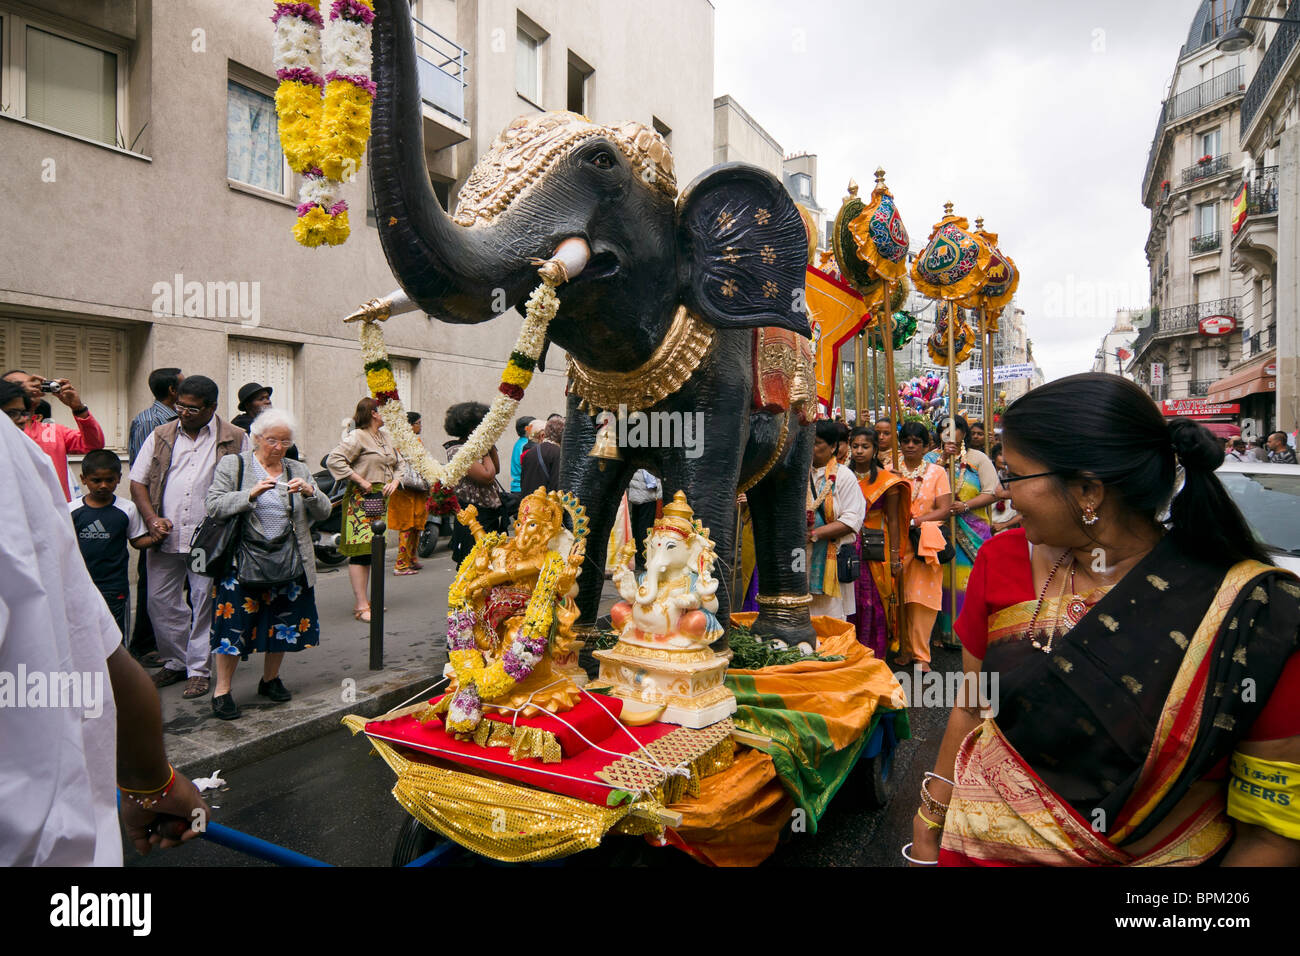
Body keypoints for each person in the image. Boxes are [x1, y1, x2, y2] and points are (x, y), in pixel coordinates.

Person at [910, 373, 1300, 867]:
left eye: (1015, 477)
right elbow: (971, 706)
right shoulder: (1001, 559)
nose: (1005, 496)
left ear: (1088, 490)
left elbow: (1272, 838)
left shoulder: (1250, 614)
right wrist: (931, 817)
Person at [0, 408, 208, 865]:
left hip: (108, 591)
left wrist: (158, 534)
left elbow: (97, 657)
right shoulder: (16, 459)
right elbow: (103, 664)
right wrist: (152, 785)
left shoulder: (19, 458)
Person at [205, 409, 330, 720]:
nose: (278, 447)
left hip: (289, 560)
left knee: (282, 623)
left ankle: (270, 680)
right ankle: (222, 691)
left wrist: (311, 492)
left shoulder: (296, 467)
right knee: (233, 627)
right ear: (256, 438)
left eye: (285, 441)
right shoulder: (234, 465)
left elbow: (325, 512)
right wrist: (249, 494)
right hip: (241, 560)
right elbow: (213, 505)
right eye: (272, 440)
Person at [129, 375, 249, 699]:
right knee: (159, 601)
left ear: (212, 407)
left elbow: (248, 484)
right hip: (164, 537)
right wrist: (151, 520)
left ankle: (198, 669)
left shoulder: (236, 437)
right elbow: (137, 482)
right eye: (180, 405)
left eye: (193, 408)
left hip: (209, 541)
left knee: (202, 601)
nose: (184, 412)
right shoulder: (161, 434)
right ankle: (175, 660)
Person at [924, 415, 1001, 646]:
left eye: (955, 428)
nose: (949, 433)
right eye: (944, 428)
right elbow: (921, 489)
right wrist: (944, 459)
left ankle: (969, 635)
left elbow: (992, 492)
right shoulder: (930, 459)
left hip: (973, 530)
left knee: (968, 585)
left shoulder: (978, 459)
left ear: (964, 433)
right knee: (941, 585)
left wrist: (965, 506)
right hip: (939, 532)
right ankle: (942, 635)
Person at [127, 367, 184, 668]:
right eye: (184, 387)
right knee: (153, 581)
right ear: (173, 391)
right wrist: (152, 518)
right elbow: (142, 475)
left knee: (177, 587)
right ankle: (144, 644)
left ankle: (174, 643)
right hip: (157, 517)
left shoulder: (180, 422)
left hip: (180, 516)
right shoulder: (150, 421)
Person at [69, 450, 157, 638]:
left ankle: (114, 669)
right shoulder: (71, 510)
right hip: (80, 586)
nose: (103, 485)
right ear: (83, 479)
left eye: (109, 480)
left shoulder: (127, 509)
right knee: (83, 636)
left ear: (119, 478)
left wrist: (158, 537)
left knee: (115, 637)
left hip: (114, 587)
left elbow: (137, 540)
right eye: (96, 480)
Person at [327, 397, 399, 623]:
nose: (387, 414)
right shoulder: (357, 436)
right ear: (374, 413)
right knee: (361, 551)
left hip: (381, 497)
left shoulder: (386, 437)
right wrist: (360, 480)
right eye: (383, 410)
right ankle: (361, 604)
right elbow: (334, 460)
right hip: (362, 496)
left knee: (373, 549)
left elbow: (401, 463)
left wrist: (396, 481)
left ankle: (370, 601)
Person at [848, 426, 909, 658]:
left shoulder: (887, 481)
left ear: (875, 449)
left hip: (873, 545)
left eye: (865, 446)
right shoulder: (841, 475)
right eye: (855, 446)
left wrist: (895, 555)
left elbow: (893, 520)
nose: (859, 451)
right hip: (845, 542)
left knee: (872, 599)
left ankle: (873, 649)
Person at [895, 421, 952, 670]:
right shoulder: (890, 469)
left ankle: (922, 656)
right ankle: (904, 649)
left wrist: (916, 521)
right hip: (896, 541)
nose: (910, 445)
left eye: (916, 441)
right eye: (906, 440)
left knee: (923, 599)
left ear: (926, 445)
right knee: (899, 596)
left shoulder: (937, 472)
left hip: (925, 543)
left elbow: (945, 509)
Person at [3, 369, 105, 501]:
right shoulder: (4, 428)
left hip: (56, 513)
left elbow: (94, 445)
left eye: (31, 383)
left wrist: (79, 408)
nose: (30, 387)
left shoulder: (52, 430)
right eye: (18, 385)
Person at [808, 419, 867, 622]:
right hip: (798, 555)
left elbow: (852, 520)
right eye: (806, 441)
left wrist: (813, 534)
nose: (810, 447)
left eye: (816, 442)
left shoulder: (844, 476)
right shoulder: (796, 474)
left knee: (829, 619)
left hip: (831, 555)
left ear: (833, 446)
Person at [390, 410, 431, 575]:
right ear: (410, 425)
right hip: (405, 490)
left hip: (416, 490)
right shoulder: (402, 442)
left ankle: (412, 558)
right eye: (418, 423)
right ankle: (401, 564)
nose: (420, 426)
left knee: (416, 524)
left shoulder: (414, 441)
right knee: (407, 525)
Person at [129, 367, 184, 464]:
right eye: (184, 385)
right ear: (172, 390)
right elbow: (143, 463)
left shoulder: (180, 415)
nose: (188, 389)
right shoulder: (149, 421)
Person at [231, 382, 298, 461]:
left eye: (268, 398)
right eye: (261, 399)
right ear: (248, 405)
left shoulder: (274, 422)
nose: (267, 402)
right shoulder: (241, 425)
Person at [626, 468, 662, 572]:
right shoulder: (647, 469)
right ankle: (643, 560)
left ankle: (637, 559)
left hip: (636, 497)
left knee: (636, 528)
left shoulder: (637, 467)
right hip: (647, 498)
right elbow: (654, 483)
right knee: (644, 529)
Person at [520, 416, 562, 499]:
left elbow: (523, 482)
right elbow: (556, 484)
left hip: (528, 504)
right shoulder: (557, 453)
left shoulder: (528, 452)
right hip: (545, 505)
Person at [988, 442, 1021, 533]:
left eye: (1008, 455)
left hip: (1009, 528)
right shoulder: (986, 477)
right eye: (1000, 455)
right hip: (988, 527)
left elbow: (1024, 513)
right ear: (994, 458)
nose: (1004, 459)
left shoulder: (1018, 479)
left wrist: (1004, 525)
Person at [510, 415, 536, 493]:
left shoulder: (519, 443)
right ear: (528, 429)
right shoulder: (527, 445)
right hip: (523, 489)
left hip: (517, 488)